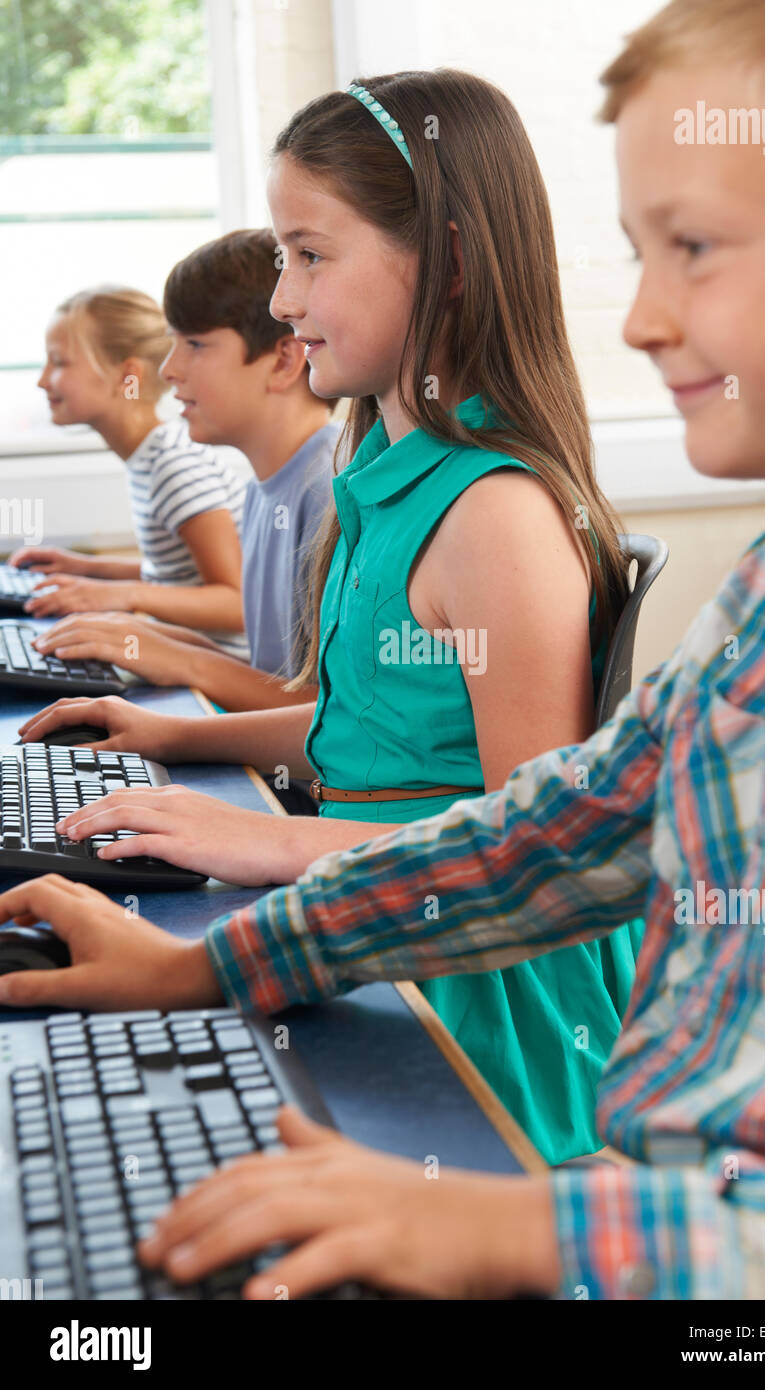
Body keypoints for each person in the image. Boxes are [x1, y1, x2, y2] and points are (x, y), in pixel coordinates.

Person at [2, 0, 765, 1298]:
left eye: (692, 247)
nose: (636, 320)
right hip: (629, 1203)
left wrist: (510, 1227)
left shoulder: (501, 513)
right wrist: (199, 964)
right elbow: (542, 835)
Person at [15, 68, 643, 1164]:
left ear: (444, 257)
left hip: (476, 999)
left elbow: (532, 854)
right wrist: (179, 736)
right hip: (374, 914)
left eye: (309, 255)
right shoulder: (384, 464)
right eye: (279, 257)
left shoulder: (492, 512)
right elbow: (356, 725)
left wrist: (266, 839)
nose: (282, 300)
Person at [27, 231, 338, 713]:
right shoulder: (267, 486)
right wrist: (147, 634)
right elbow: (270, 677)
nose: (169, 369)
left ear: (282, 360)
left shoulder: (330, 493)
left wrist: (175, 685)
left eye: (194, 344)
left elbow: (325, 716)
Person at [12, 286, 248, 658]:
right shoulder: (149, 457)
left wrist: (119, 595)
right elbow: (174, 576)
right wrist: (89, 569)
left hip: (219, 676)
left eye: (58, 362)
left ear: (128, 376)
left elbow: (237, 604)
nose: (43, 380)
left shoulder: (174, 466)